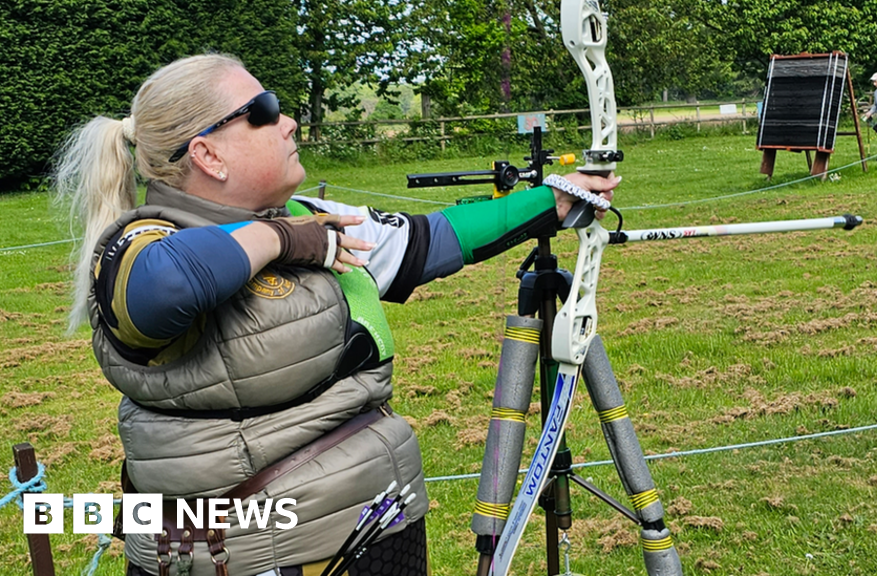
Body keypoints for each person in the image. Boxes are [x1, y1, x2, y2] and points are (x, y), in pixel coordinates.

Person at [53, 53, 618, 576]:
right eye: (264, 111)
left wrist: (554, 200)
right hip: (263, 557)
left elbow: (427, 241)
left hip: (374, 529)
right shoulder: (142, 243)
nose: (289, 122)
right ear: (207, 155)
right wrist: (281, 238)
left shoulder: (304, 214)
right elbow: (165, 286)